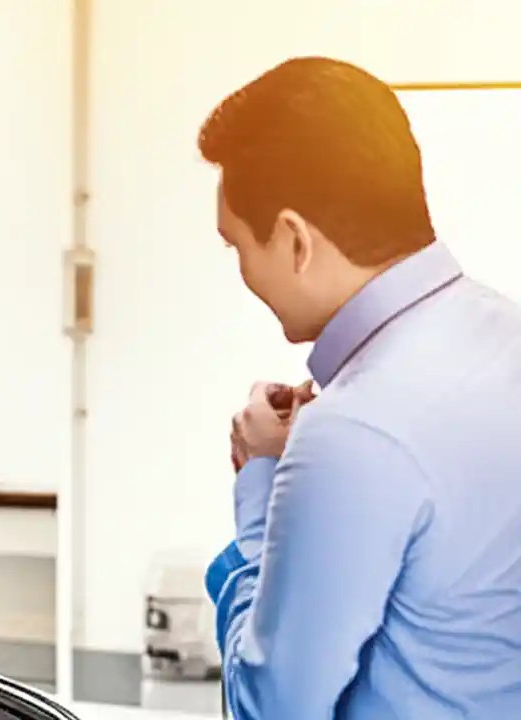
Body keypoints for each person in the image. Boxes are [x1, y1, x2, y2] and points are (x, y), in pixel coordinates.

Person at [199, 57, 521, 718]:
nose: (241, 271)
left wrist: (261, 482)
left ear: (295, 241)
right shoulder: (506, 333)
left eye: (237, 248)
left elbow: (268, 710)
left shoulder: (352, 431)